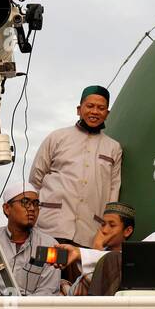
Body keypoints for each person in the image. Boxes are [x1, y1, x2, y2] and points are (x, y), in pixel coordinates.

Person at [31, 85, 122, 246]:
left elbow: (113, 190)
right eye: (90, 106)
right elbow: (35, 180)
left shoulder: (113, 148)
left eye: (101, 108)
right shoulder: (57, 138)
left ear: (107, 114)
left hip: (89, 232)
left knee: (81, 264)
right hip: (51, 227)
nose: (95, 111)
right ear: (79, 110)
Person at [0, 180, 61, 296]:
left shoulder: (50, 245)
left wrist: (20, 307)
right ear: (7, 208)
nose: (32, 208)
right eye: (25, 202)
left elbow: (48, 291)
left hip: (29, 307)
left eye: (35, 203)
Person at [60, 201, 136, 295]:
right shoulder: (94, 252)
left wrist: (96, 251)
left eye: (112, 225)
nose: (104, 230)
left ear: (127, 231)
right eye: (103, 224)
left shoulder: (130, 260)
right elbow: (75, 292)